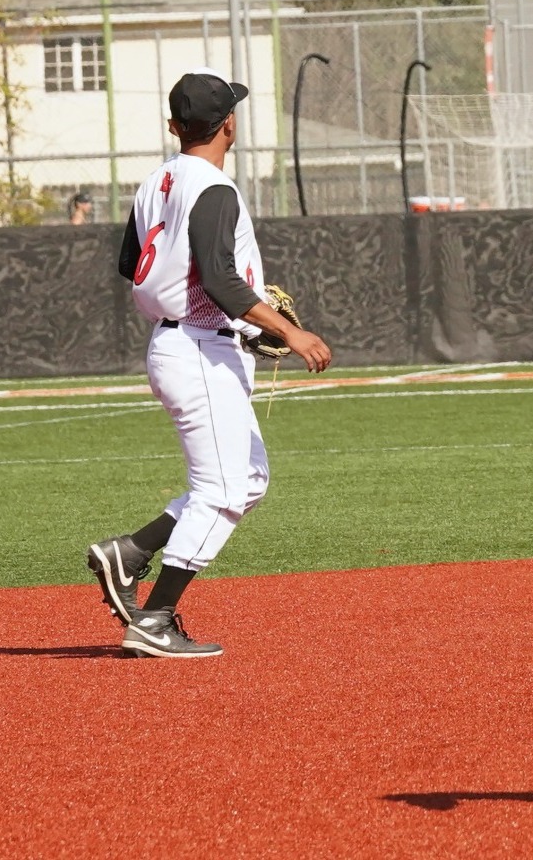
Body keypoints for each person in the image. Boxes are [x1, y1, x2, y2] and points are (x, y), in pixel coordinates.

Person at [87, 67, 333, 657]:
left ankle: (132, 552)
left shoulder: (157, 182)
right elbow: (220, 280)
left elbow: (130, 264)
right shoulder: (214, 188)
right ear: (229, 125)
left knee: (247, 480)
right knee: (221, 491)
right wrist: (285, 330)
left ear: (175, 126)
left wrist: (205, 298)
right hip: (199, 346)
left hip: (183, 342)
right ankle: (155, 620)